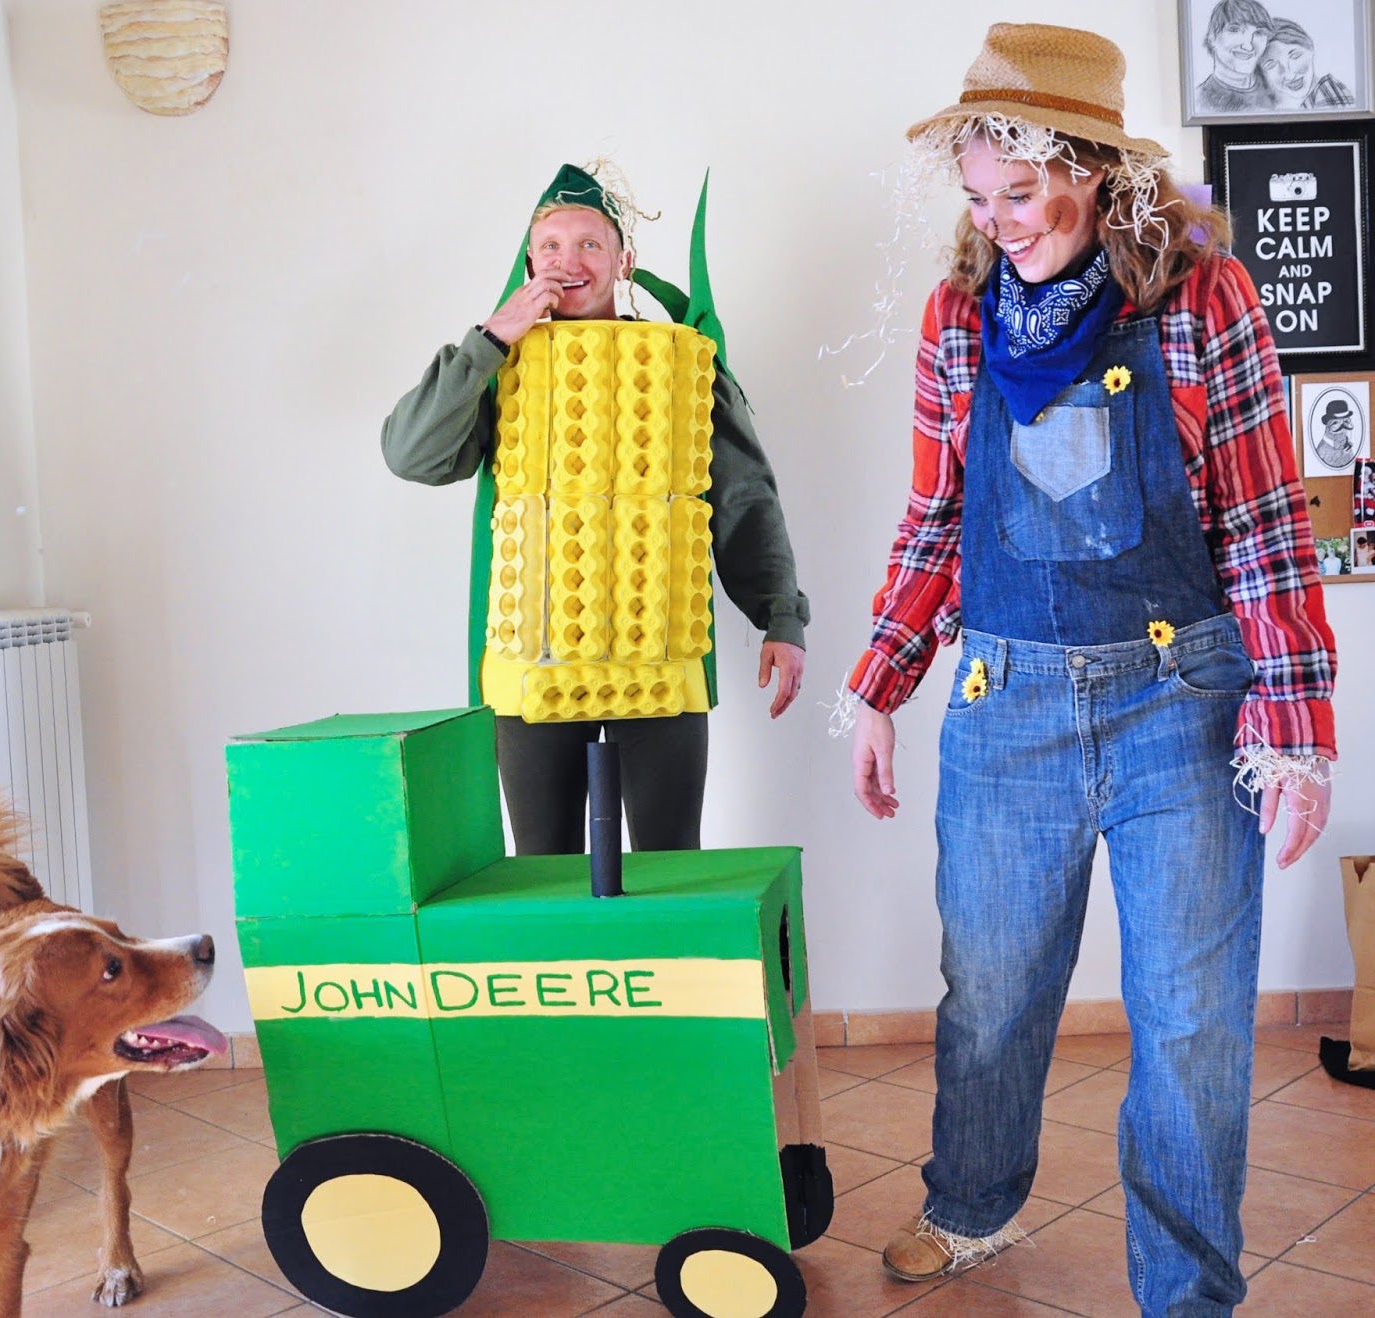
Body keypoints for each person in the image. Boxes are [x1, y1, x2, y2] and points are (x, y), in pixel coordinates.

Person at [842, 23, 1337, 1315]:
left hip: (1188, 705)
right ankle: (974, 1204)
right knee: (992, 992)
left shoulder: (1203, 296)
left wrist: (1296, 725)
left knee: (1192, 1020)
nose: (1002, 222)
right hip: (1005, 704)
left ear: (1101, 177)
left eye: (1026, 192)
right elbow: (935, 518)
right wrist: (880, 686)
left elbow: (1268, 517)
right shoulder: (961, 318)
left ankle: (1185, 1289)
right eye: (981, 199)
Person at [383, 163, 809, 855]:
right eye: (550, 246)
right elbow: (410, 455)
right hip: (533, 672)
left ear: (623, 261)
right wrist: (490, 342)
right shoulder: (493, 366)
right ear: (529, 260)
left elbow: (742, 498)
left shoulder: (684, 364)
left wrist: (780, 615)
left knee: (669, 866)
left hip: (660, 665)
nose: (568, 261)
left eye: (589, 245)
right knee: (543, 871)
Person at [1195, 0, 1273, 113]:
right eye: (1234, 30)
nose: (1248, 46)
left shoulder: (1278, 91)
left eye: (1259, 33)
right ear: (1212, 38)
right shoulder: (1200, 102)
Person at [1258, 19, 1355, 110]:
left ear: (1310, 49)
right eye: (1271, 65)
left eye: (1295, 56)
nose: (1289, 75)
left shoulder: (1329, 92)